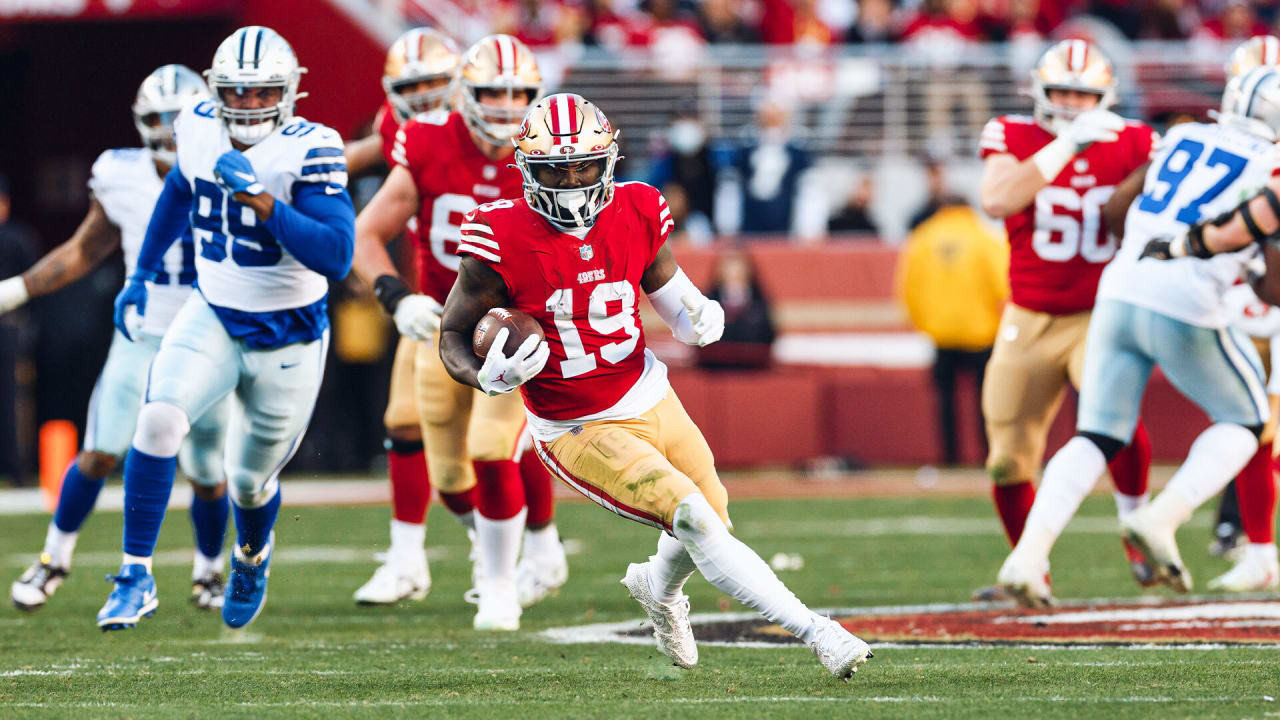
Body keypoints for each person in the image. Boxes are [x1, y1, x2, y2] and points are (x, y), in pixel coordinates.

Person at [438, 92, 873, 678]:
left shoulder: (639, 207)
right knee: (693, 517)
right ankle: (816, 630)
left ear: (609, 161)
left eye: (584, 167)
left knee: (712, 516)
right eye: (555, 172)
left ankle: (659, 589)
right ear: (526, 171)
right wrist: (486, 378)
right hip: (577, 424)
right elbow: (452, 337)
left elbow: (672, 296)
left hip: (649, 391)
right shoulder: (500, 232)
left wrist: (700, 312)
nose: (571, 184)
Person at [98, 26, 354, 630]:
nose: (245, 104)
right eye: (234, 92)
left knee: (247, 481)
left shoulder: (311, 146)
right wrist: (142, 272)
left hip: (289, 333)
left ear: (287, 92)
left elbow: (336, 255)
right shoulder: (195, 123)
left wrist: (264, 201)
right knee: (158, 419)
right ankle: (136, 574)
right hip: (211, 311)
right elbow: (179, 192)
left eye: (260, 91)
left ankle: (251, 554)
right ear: (216, 91)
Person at [998, 67, 1280, 606]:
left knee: (1097, 433)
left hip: (1122, 284)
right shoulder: (1270, 164)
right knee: (1248, 421)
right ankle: (1163, 516)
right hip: (1191, 294)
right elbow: (1272, 282)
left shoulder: (1183, 135)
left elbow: (1114, 209)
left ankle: (1028, 556)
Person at [351, 34, 567, 629]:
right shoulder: (422, 139)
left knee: (494, 448)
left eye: (518, 93)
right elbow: (365, 232)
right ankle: (510, 549)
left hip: (514, 325)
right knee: (449, 475)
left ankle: (499, 581)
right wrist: (395, 298)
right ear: (463, 95)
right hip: (438, 322)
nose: (504, 106)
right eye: (492, 92)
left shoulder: (549, 150)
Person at [6, 66, 232, 613]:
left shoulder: (232, 167)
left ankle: (209, 571)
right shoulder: (120, 173)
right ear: (141, 121)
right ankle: (54, 558)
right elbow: (84, 249)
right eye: (160, 118)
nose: (171, 129)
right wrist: (16, 289)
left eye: (181, 117)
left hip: (209, 333)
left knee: (206, 467)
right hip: (145, 332)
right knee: (100, 450)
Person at [976, 39, 1155, 600]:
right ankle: (1030, 568)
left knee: (1113, 421)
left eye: (1085, 95)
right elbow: (999, 199)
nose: (1074, 104)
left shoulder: (1136, 142)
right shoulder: (1011, 133)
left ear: (1107, 96)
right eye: (1063, 93)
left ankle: (1137, 525)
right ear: (1040, 91)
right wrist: (1063, 147)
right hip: (1029, 316)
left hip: (1101, 313)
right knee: (1006, 459)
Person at [345, 27, 461, 607]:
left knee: (498, 447)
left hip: (511, 304)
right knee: (404, 423)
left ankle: (533, 546)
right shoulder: (397, 129)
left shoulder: (495, 126)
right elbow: (364, 157)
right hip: (435, 298)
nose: (423, 94)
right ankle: (409, 556)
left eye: (434, 81)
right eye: (411, 85)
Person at [896, 198, 1009, 465]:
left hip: (941, 334)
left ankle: (950, 458)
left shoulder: (922, 239)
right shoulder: (984, 238)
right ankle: (988, 455)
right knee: (986, 401)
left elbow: (908, 288)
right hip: (981, 334)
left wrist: (923, 324)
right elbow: (1002, 286)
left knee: (945, 402)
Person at [343, 27, 460, 178]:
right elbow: (364, 152)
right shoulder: (393, 120)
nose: (421, 93)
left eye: (430, 82)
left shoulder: (476, 118)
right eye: (411, 86)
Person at [0, 171, 36, 488]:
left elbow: (34, 284)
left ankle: (15, 467)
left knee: (10, 400)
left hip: (8, 328)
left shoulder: (17, 238)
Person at [696, 248, 776, 370]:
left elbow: (768, 334)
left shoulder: (759, 302)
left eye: (738, 267)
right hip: (715, 369)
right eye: (728, 267)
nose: (733, 272)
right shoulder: (708, 301)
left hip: (752, 369)